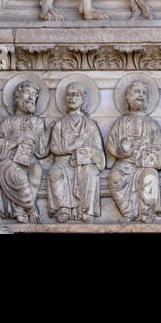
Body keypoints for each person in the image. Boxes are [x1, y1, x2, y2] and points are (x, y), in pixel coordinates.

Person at [106, 80, 161, 222]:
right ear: (127, 97)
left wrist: (148, 153)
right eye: (137, 92)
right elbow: (111, 144)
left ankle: (146, 213)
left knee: (150, 176)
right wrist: (122, 150)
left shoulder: (152, 124)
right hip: (125, 163)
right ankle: (127, 212)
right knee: (114, 177)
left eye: (144, 93)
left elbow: (159, 149)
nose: (141, 95)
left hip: (145, 165)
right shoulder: (120, 122)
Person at [0, 79, 49, 222]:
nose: (31, 98)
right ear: (17, 97)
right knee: (20, 176)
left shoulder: (38, 122)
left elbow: (41, 153)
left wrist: (41, 139)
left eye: (34, 95)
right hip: (6, 160)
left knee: (37, 170)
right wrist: (13, 142)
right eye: (27, 93)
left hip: (27, 159)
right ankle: (30, 208)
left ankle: (20, 209)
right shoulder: (8, 122)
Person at [46, 82, 105, 222]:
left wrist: (89, 153)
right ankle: (63, 208)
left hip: (83, 164)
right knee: (54, 173)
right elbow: (54, 148)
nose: (71, 98)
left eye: (75, 94)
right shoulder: (59, 124)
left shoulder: (90, 125)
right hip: (62, 162)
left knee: (91, 172)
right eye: (68, 94)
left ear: (83, 99)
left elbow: (98, 150)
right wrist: (73, 147)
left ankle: (86, 211)